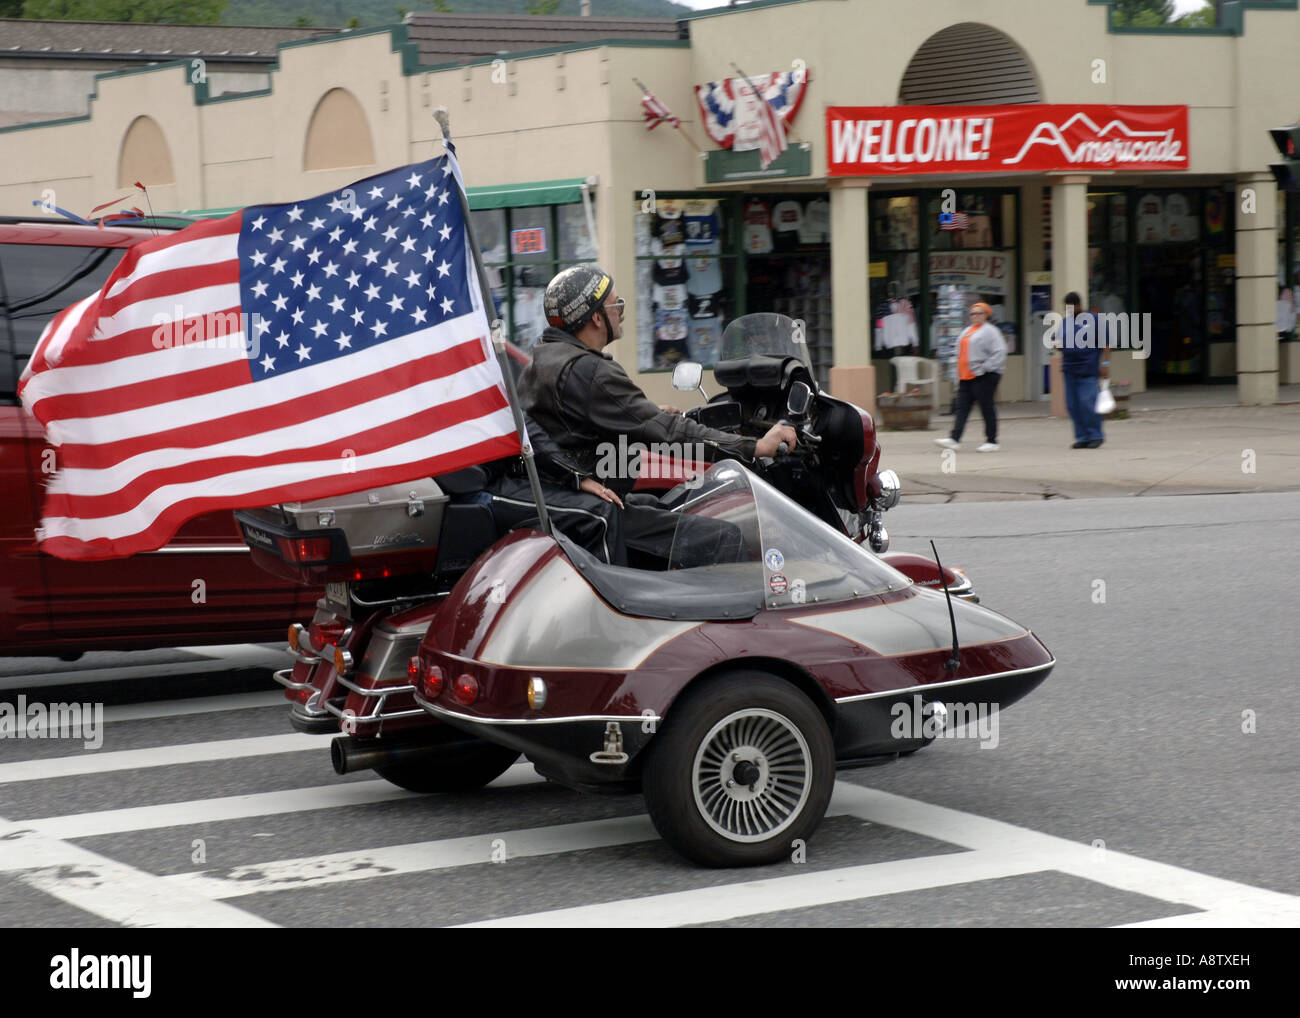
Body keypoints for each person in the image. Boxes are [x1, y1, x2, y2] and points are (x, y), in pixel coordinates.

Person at [518, 264, 797, 567]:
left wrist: (645, 415)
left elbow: (571, 424)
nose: (621, 311)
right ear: (596, 318)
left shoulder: (545, 357)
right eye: (616, 304)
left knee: (673, 504)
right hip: (595, 503)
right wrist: (755, 446)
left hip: (571, 494)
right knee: (723, 537)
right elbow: (668, 431)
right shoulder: (590, 371)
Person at [934, 301, 1006, 453]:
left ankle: (992, 441)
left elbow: (1000, 352)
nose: (975, 316)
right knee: (962, 408)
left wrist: (985, 367)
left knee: (986, 407)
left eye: (979, 313)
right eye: (973, 313)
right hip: (966, 376)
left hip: (984, 375)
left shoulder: (990, 331)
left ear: (986, 315)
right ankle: (954, 439)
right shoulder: (967, 330)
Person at [1059, 291, 1109, 449]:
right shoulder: (1065, 322)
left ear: (1078, 305)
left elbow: (1106, 344)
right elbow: (1059, 340)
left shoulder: (1094, 320)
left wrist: (1105, 364)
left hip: (1088, 368)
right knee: (1073, 405)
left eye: (1070, 307)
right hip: (1069, 369)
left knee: (1087, 403)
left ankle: (1095, 435)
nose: (1067, 311)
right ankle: (1082, 437)